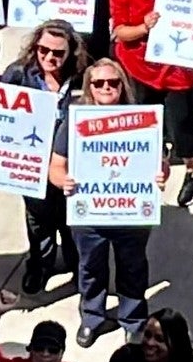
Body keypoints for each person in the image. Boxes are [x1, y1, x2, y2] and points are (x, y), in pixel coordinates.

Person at [57, 57, 155, 345]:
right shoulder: (76, 121)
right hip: (89, 214)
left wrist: (160, 174)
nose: (106, 87)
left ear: (123, 85)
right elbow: (56, 165)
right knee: (90, 269)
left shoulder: (142, 120)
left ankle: (133, 320)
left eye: (113, 82)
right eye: (98, 82)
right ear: (89, 86)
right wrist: (63, 181)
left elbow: (158, 163)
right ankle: (92, 318)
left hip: (131, 213)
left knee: (133, 269)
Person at [111, 0, 193, 202]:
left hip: (175, 64)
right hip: (139, 65)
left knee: (181, 121)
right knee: (146, 119)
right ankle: (152, 164)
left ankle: (192, 170)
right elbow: (120, 31)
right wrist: (144, 27)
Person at [4, 20, 87, 294]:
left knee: (72, 220)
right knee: (38, 222)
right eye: (43, 50)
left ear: (71, 52)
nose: (49, 57)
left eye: (58, 52)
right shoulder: (17, 75)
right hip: (32, 165)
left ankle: (78, 265)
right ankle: (40, 266)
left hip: (71, 163)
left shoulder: (84, 78)